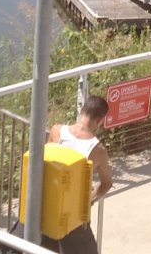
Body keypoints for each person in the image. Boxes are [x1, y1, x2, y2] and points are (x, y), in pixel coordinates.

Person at [42, 95, 113, 254]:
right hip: (74, 211)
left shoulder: (57, 131)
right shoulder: (98, 150)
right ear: (100, 121)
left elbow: (46, 162)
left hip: (48, 203)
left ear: (82, 110)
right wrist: (91, 197)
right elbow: (107, 183)